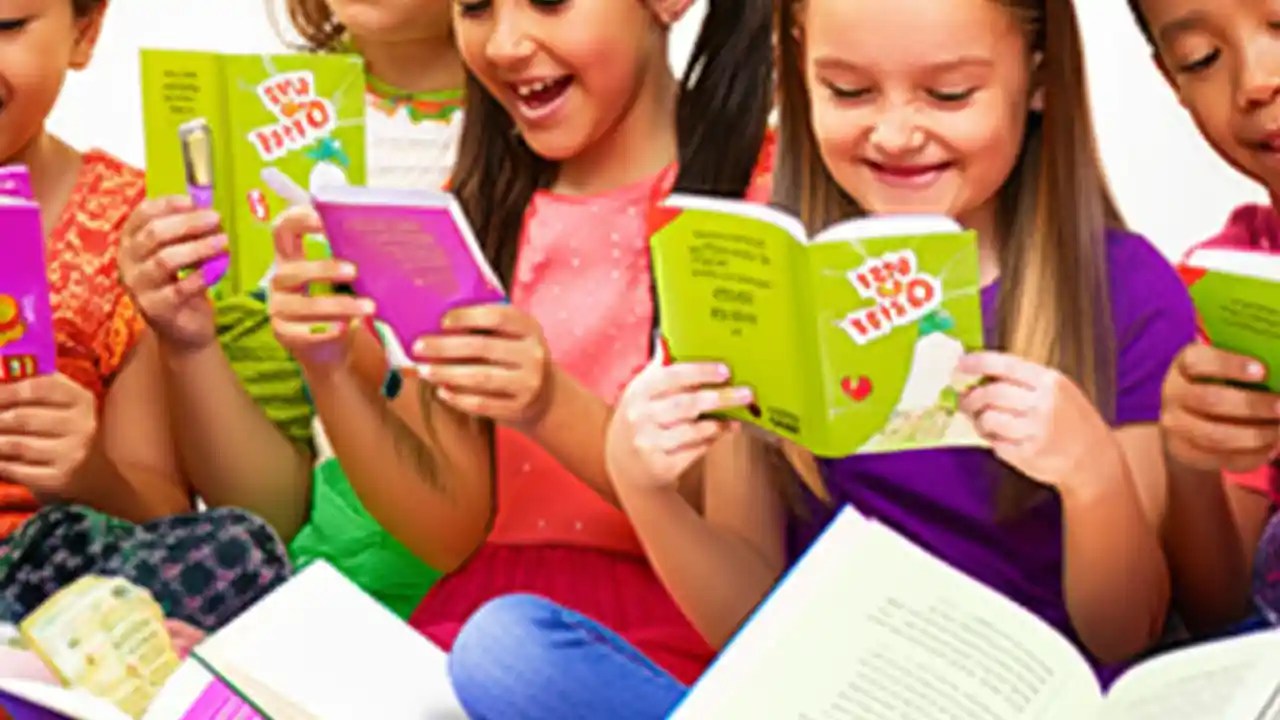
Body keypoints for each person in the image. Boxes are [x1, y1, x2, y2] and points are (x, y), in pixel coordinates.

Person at [444, 0, 1196, 715]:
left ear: (1037, 77)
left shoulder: (1124, 292)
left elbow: (1123, 633)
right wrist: (646, 489)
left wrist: (1092, 477)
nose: (894, 134)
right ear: (800, 78)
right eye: (849, 92)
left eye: (948, 95)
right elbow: (745, 620)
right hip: (828, 700)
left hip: (1025, 703)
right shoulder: (762, 283)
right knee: (505, 652)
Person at [267, 0, 774, 688]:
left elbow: (743, 536)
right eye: (476, 6)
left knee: (505, 654)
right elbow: (450, 532)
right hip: (470, 624)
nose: (505, 43)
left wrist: (548, 405)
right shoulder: (474, 207)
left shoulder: (756, 207)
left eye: (549, 2)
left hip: (663, 643)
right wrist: (330, 368)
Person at [117, 0, 468, 620]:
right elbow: (271, 517)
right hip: (343, 595)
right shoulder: (249, 123)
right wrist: (189, 344)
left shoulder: (557, 112)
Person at [0, 0, 287, 630]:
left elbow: (160, 512)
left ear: (84, 32)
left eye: (6, 28)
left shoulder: (135, 233)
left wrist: (84, 471)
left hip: (47, 583)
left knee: (235, 550)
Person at [1128, 0, 1280, 632]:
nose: (1255, 81)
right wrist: (1188, 461)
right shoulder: (1229, 290)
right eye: (1202, 59)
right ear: (1173, 82)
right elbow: (1218, 604)